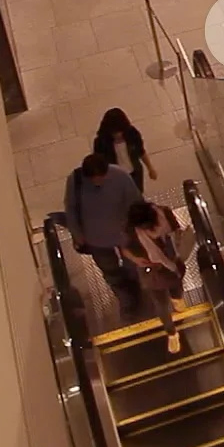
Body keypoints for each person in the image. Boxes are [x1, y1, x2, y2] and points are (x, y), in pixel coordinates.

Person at [63, 152, 144, 316]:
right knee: (111, 273)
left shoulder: (120, 177)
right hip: (96, 240)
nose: (98, 182)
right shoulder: (76, 181)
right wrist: (77, 234)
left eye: (101, 177)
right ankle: (126, 300)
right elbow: (70, 208)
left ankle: (137, 289)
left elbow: (137, 202)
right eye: (94, 179)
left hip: (124, 235)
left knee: (133, 265)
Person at [122, 201, 191, 353]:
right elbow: (123, 248)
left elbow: (177, 231)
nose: (149, 231)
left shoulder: (165, 212)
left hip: (173, 264)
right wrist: (135, 259)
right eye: (144, 228)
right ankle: (172, 333)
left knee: (177, 286)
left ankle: (177, 298)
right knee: (160, 304)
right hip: (152, 270)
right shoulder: (131, 231)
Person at [94, 108, 154, 191]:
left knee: (137, 193)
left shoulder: (132, 134)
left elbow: (141, 151)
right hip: (115, 177)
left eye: (120, 131)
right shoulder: (101, 142)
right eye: (114, 132)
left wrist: (150, 168)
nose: (118, 135)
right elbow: (99, 162)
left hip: (135, 173)